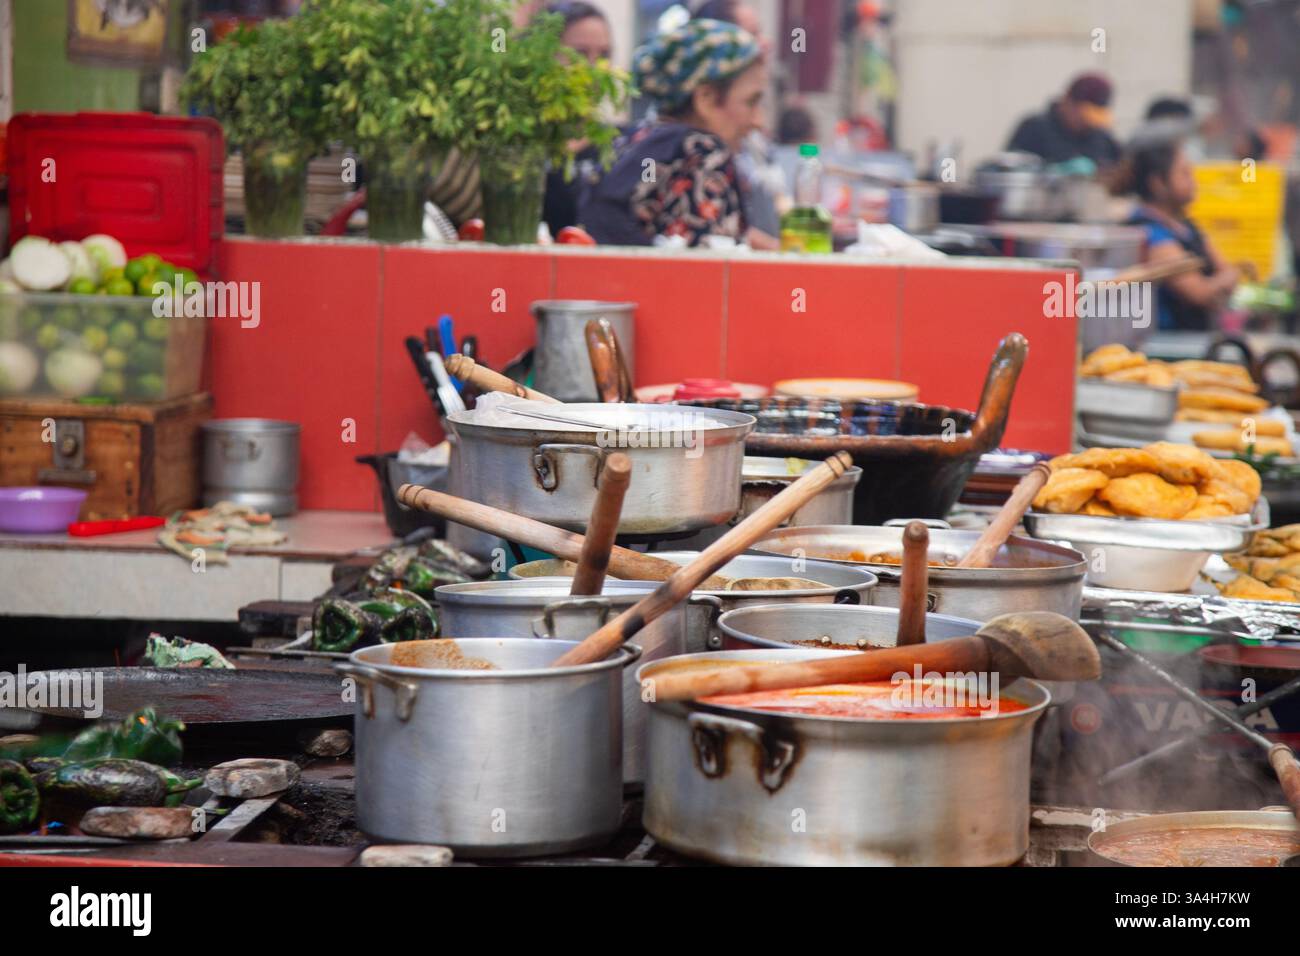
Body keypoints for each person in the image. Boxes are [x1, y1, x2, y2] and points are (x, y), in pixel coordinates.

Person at [579, 18, 766, 247]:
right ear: (705, 99)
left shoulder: (634, 138)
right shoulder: (701, 151)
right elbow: (713, 271)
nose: (759, 121)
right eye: (751, 102)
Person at [1120, 136, 1239, 330]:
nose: (1193, 181)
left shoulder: (1186, 226)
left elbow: (1227, 270)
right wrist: (1223, 282)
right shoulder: (1148, 231)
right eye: (1184, 174)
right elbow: (1199, 293)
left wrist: (1223, 280)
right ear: (1157, 182)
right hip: (1168, 342)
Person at [539, 2, 615, 236]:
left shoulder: (619, 145)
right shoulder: (518, 142)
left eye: (604, 55)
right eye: (580, 54)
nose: (594, 68)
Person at [1006, 73, 1122, 168]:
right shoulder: (1034, 129)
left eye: (1092, 120)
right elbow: (1008, 169)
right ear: (1068, 101)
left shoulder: (1102, 138)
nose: (1087, 124)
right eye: (1083, 117)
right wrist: (1051, 171)